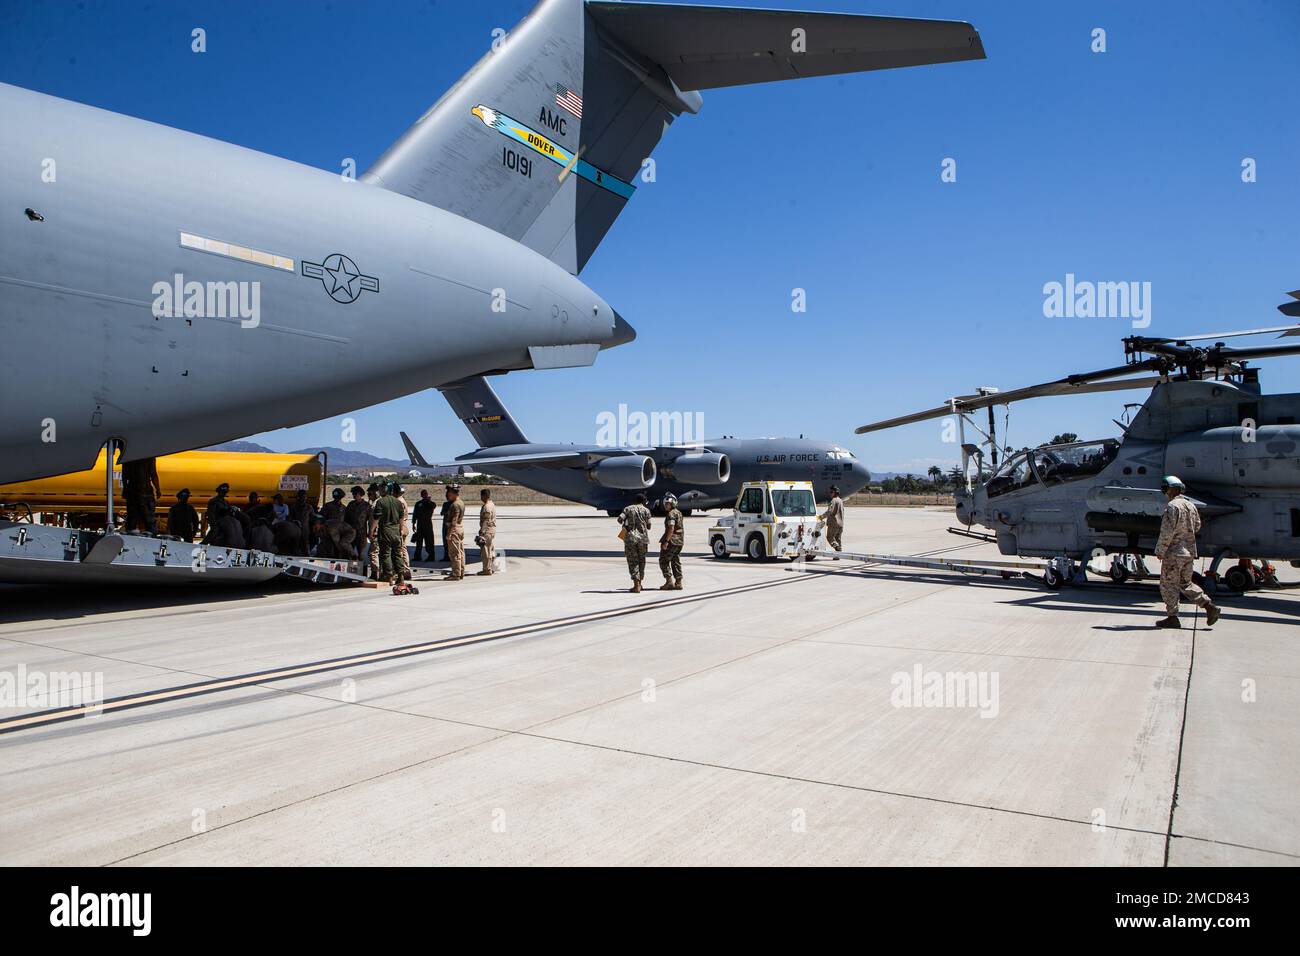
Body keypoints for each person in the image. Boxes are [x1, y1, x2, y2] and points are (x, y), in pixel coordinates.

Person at [1154, 475, 1221, 629]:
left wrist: (1160, 551)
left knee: (1168, 585)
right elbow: (1197, 526)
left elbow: (1167, 532)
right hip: (1188, 552)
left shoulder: (1172, 507)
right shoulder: (1191, 506)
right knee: (1186, 583)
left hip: (1174, 553)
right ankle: (1209, 606)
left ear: (1169, 489)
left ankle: (1172, 617)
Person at [618, 493, 653, 593]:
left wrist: (627, 524)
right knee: (641, 561)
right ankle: (640, 583)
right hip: (643, 539)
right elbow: (649, 526)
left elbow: (619, 519)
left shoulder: (628, 509)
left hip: (630, 538)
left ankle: (636, 585)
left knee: (633, 561)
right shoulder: (647, 511)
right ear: (644, 501)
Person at [372, 482, 404, 584]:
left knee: (386, 554)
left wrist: (371, 531)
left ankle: (389, 576)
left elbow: (376, 518)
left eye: (381, 489)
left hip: (385, 532)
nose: (380, 491)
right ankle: (401, 576)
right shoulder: (398, 502)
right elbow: (401, 518)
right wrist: (400, 530)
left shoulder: (380, 502)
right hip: (396, 532)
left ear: (386, 489)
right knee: (397, 554)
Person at [121, 456, 161, 534]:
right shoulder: (149, 457)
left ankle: (131, 537)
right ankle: (151, 537)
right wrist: (158, 489)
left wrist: (125, 488)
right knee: (149, 519)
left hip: (132, 490)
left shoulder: (129, 456)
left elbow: (124, 475)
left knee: (132, 519)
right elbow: (153, 474)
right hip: (146, 491)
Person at [657, 493, 684, 590]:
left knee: (663, 561)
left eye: (668, 504)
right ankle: (678, 582)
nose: (666, 505)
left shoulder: (671, 514)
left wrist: (666, 541)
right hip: (680, 541)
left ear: (673, 504)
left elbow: (671, 529)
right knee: (675, 560)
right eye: (666, 503)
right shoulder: (679, 513)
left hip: (672, 541)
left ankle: (669, 582)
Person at [344, 486, 372, 570]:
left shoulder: (366, 506)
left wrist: (370, 532)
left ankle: (362, 573)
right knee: (351, 554)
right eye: (353, 494)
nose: (353, 495)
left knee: (361, 555)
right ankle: (352, 572)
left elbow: (370, 520)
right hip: (350, 533)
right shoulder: (350, 505)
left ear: (360, 494)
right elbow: (346, 519)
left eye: (355, 494)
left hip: (362, 534)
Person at [443, 484, 466, 580]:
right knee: (460, 551)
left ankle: (456, 574)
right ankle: (460, 571)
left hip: (454, 530)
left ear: (453, 493)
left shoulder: (455, 505)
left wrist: (449, 533)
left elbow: (454, 520)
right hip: (460, 528)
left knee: (454, 553)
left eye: (449, 493)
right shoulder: (461, 502)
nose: (448, 495)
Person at [392, 483, 412, 581]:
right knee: (403, 549)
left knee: (400, 550)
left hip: (401, 526)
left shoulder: (399, 501)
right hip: (403, 526)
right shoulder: (401, 500)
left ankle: (405, 570)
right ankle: (405, 569)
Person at [819, 485, 845, 557]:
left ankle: (837, 548)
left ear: (835, 493)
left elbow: (830, 511)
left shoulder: (833, 501)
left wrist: (821, 517)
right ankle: (838, 555)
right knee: (837, 539)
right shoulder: (840, 500)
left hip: (834, 523)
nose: (830, 494)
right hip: (841, 523)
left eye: (831, 492)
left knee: (830, 537)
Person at [412, 489, 436, 562]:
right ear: (421, 495)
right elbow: (415, 514)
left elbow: (433, 506)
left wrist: (428, 501)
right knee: (419, 542)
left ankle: (431, 556)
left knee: (429, 541)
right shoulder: (418, 504)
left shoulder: (431, 503)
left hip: (428, 524)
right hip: (420, 524)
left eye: (425, 494)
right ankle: (417, 556)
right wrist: (413, 523)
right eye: (423, 494)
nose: (424, 495)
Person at [475, 488, 496, 575]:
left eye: (481, 496)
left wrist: (482, 532)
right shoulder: (491, 504)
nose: (481, 498)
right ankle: (490, 567)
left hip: (487, 531)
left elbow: (486, 521)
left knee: (485, 550)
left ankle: (487, 570)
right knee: (490, 548)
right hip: (491, 530)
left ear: (485, 496)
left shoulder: (487, 507)